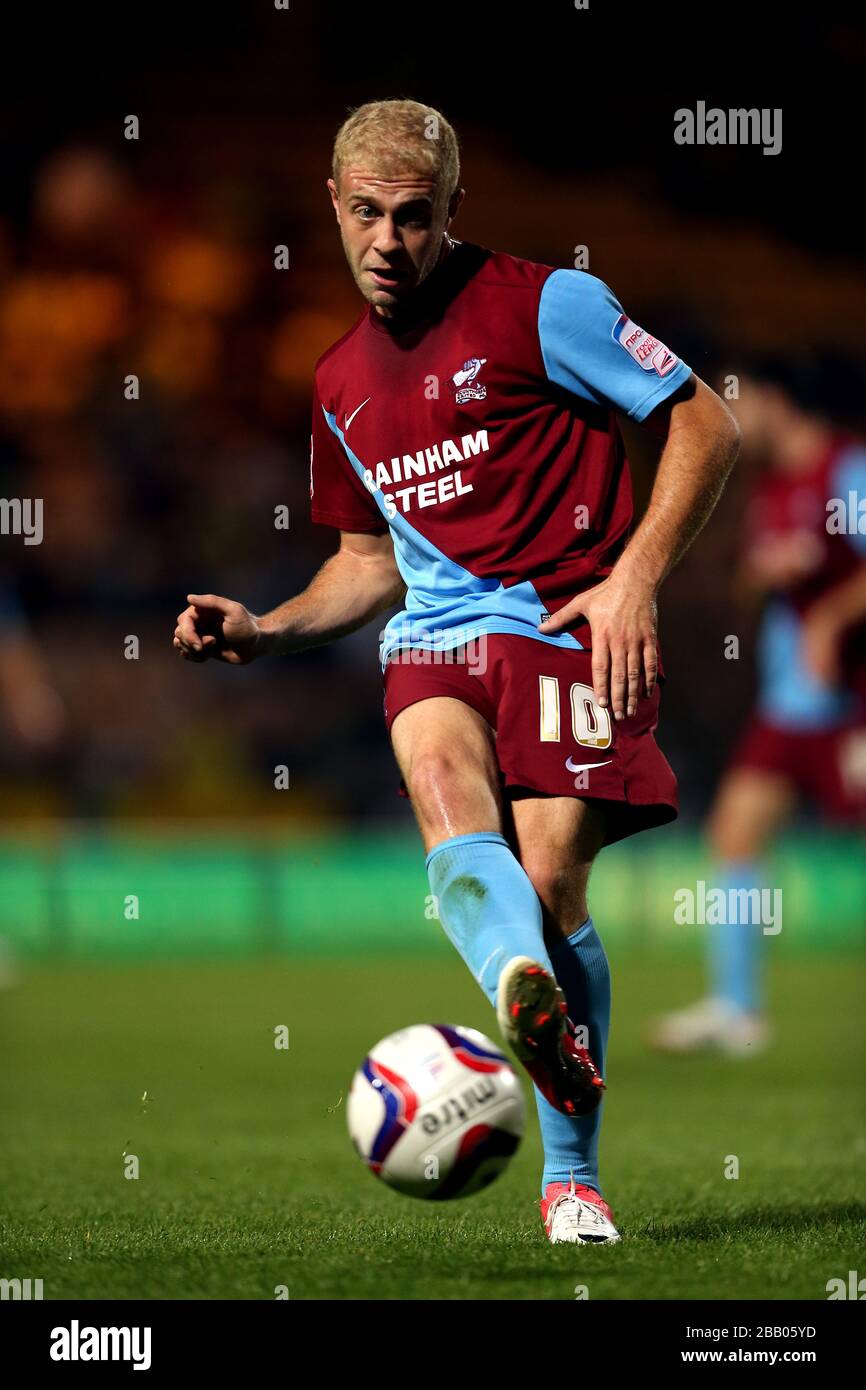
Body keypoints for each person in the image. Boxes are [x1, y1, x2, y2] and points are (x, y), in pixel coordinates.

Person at [173, 99, 739, 1243]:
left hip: (565, 620)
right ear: (332, 207)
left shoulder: (547, 306)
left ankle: (567, 1170)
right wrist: (269, 628)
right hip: (431, 636)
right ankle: (525, 1013)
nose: (389, 241)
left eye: (415, 217)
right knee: (441, 792)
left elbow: (704, 422)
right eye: (368, 215)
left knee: (549, 878)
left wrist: (634, 579)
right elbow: (365, 566)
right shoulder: (337, 382)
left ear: (450, 213)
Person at [650, 358, 866, 1054]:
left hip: (852, 703)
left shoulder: (847, 468)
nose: (730, 417)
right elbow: (757, 580)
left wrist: (833, 616)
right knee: (734, 836)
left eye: (737, 399)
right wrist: (761, 575)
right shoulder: (768, 490)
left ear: (777, 398)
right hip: (789, 706)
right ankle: (737, 1009)